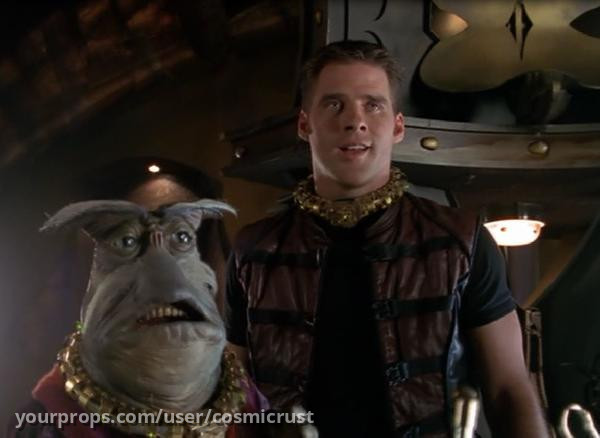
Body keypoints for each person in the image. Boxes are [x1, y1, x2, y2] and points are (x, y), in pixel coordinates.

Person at [226, 40, 549, 437]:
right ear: (304, 125)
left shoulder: (461, 242)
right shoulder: (254, 251)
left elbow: (509, 390)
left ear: (397, 126)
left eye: (373, 105)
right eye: (334, 104)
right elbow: (239, 402)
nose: (355, 121)